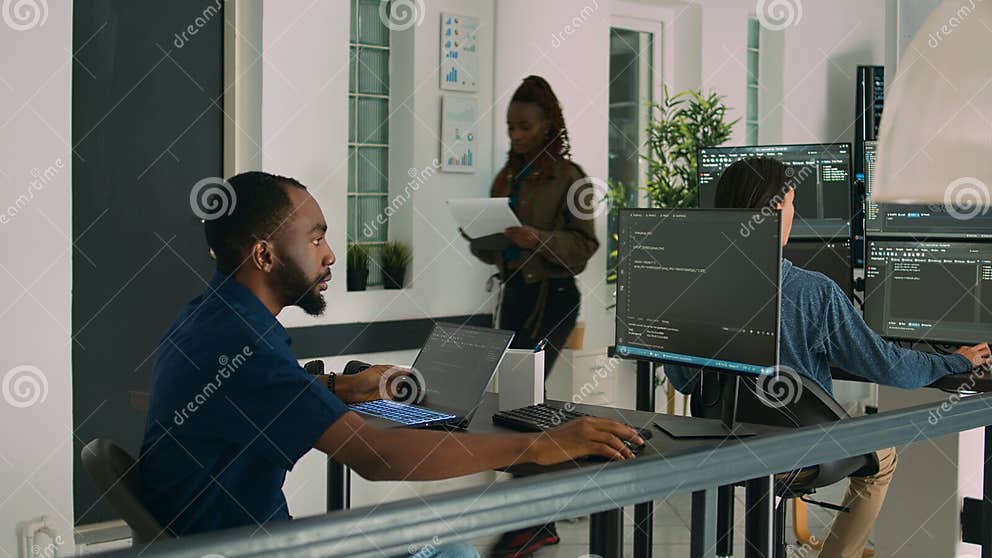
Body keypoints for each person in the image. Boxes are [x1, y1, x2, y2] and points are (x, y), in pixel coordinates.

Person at [138, 172, 643, 558]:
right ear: (265, 256)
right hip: (252, 548)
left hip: (232, 539)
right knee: (451, 552)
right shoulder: (247, 347)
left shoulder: (211, 317)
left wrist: (340, 387)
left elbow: (254, 398)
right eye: (315, 238)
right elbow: (380, 458)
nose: (330, 254)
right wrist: (542, 444)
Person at [663, 157, 991, 558]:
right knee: (882, 459)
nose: (794, 213)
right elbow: (890, 367)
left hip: (720, 445)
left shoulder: (693, 286)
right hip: (793, 453)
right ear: (776, 208)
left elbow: (682, 380)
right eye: (792, 202)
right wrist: (956, 362)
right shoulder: (813, 293)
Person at [465, 76, 598, 557]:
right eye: (510, 127)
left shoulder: (572, 177)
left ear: (547, 127)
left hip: (555, 298)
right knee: (513, 406)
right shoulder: (506, 178)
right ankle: (536, 519)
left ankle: (534, 520)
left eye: (524, 127)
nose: (515, 135)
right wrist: (488, 239)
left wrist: (537, 239)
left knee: (524, 407)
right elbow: (486, 246)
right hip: (515, 297)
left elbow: (585, 248)